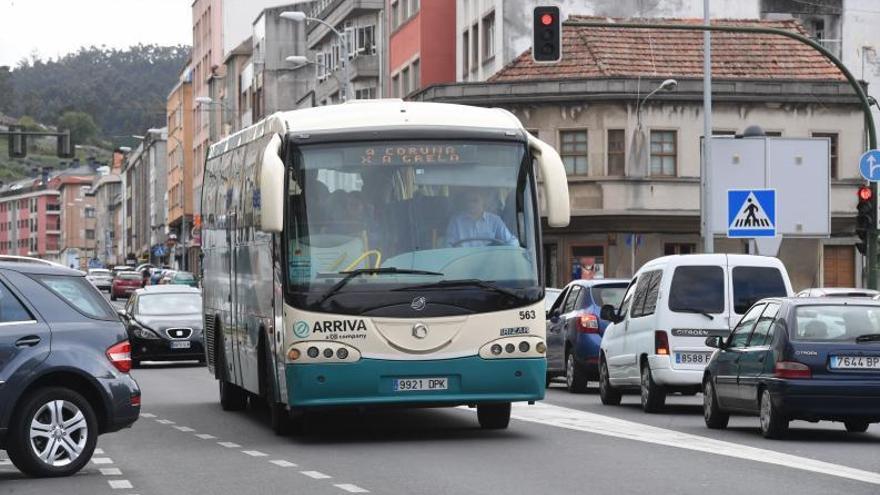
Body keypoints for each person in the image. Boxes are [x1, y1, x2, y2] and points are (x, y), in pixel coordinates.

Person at [446, 189, 518, 248]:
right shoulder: (456, 221)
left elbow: (512, 242)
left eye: (475, 200)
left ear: (484, 201)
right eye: (468, 201)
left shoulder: (495, 221)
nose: (471, 204)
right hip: (463, 262)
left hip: (489, 262)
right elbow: (448, 245)